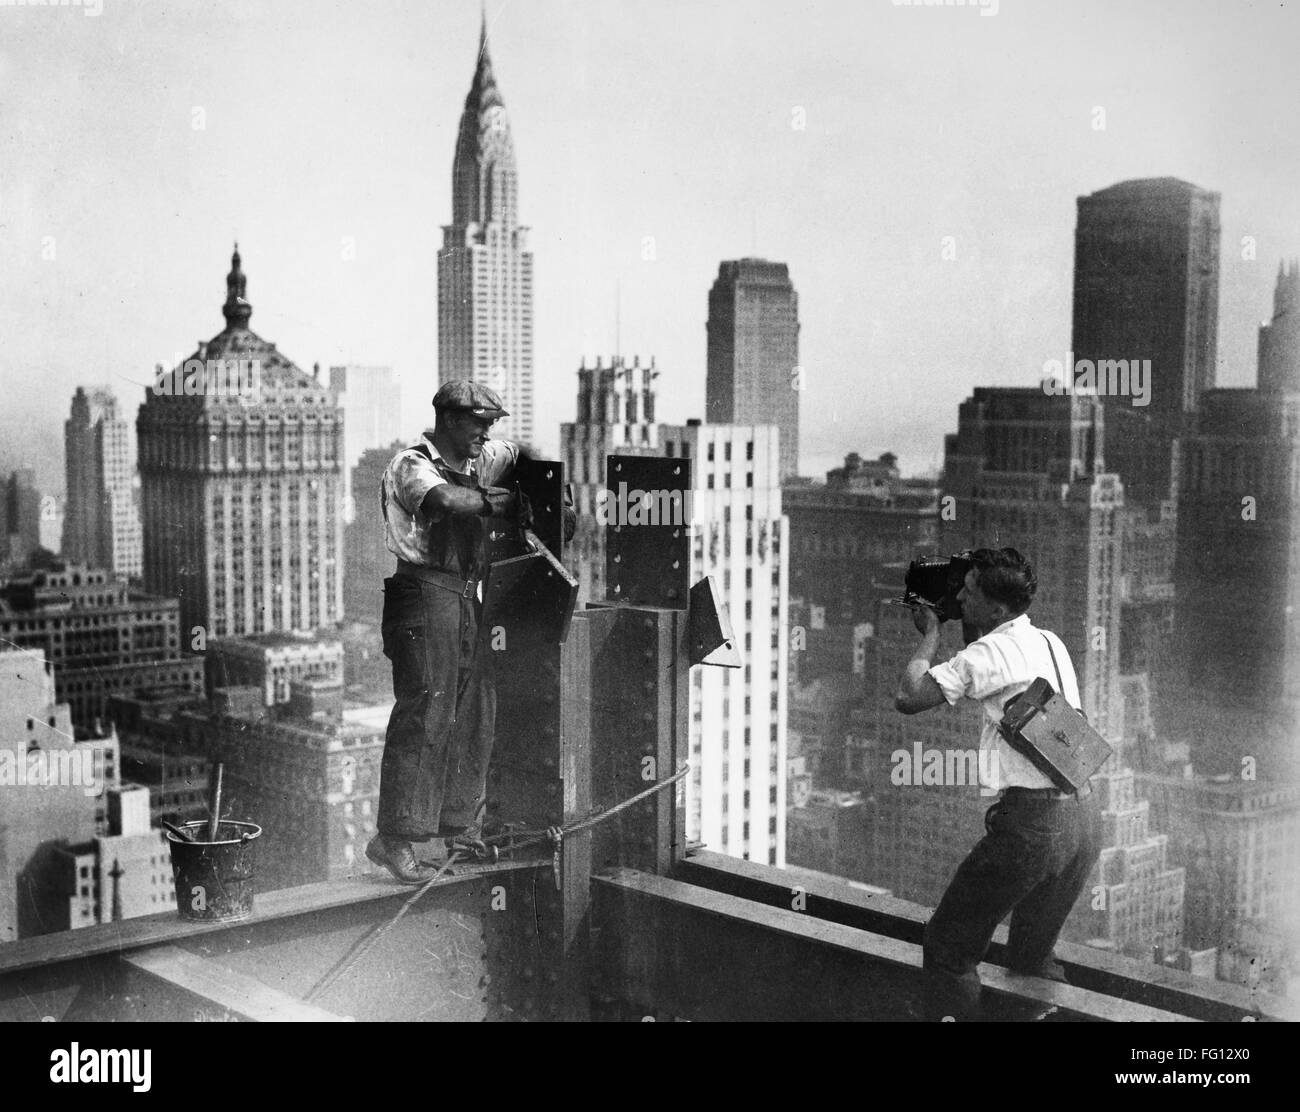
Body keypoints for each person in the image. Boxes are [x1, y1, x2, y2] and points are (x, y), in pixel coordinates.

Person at [893, 546, 1103, 1020]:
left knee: (949, 945)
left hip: (1031, 826)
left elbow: (909, 696)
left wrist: (931, 633)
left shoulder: (987, 653)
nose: (960, 599)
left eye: (969, 593)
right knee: (1031, 959)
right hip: (1083, 818)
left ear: (999, 608)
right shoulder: (1049, 640)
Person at [365, 380, 526, 884]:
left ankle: (459, 829)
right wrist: (501, 503)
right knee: (426, 710)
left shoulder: (484, 457)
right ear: (451, 420)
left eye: (490, 425)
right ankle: (394, 839)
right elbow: (444, 504)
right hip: (421, 593)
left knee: (475, 707)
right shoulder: (412, 464)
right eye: (478, 423)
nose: (486, 434)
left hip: (463, 594)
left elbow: (526, 458)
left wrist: (546, 489)